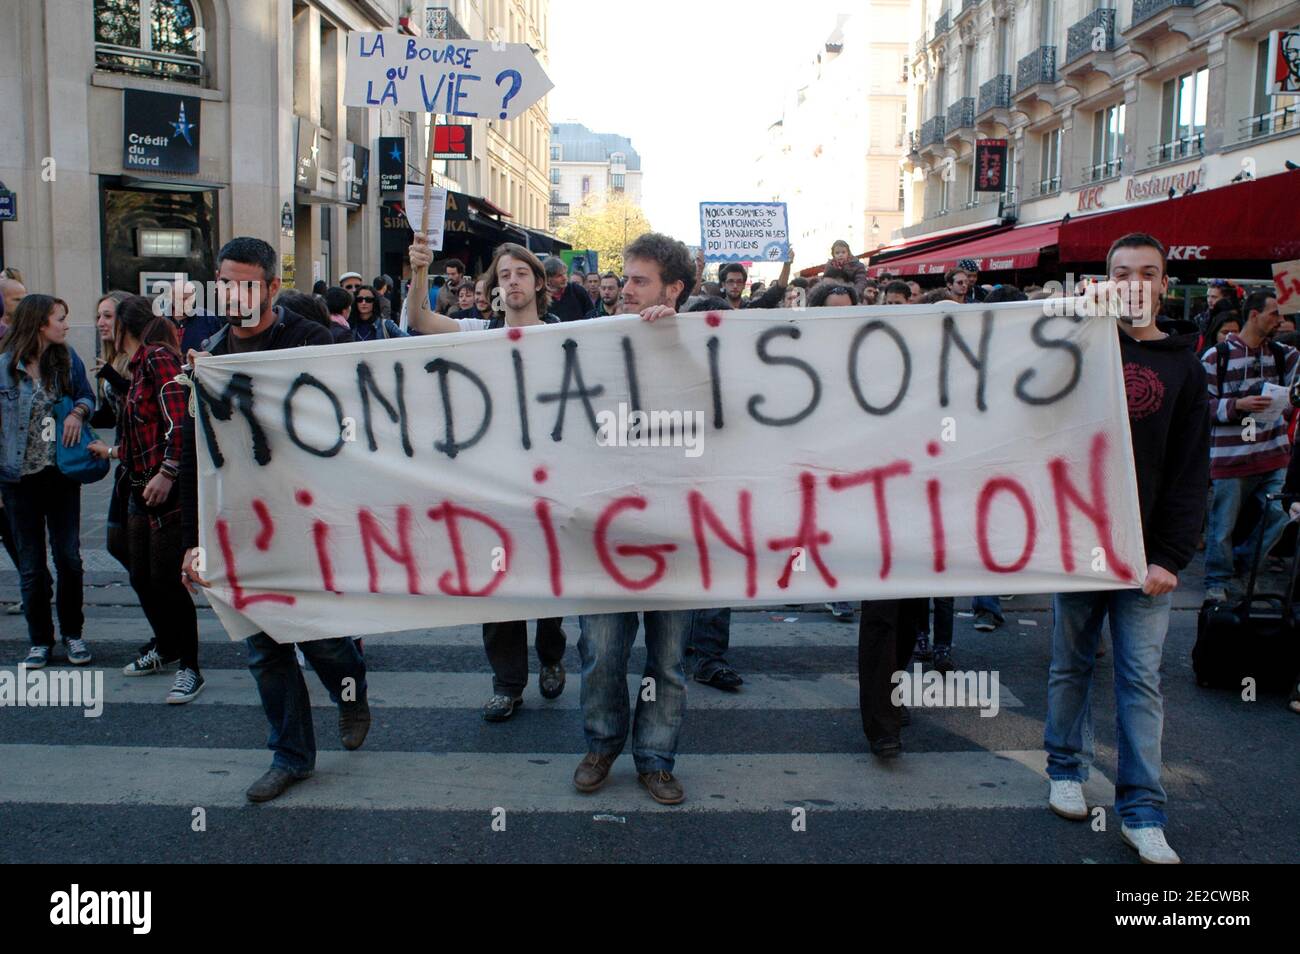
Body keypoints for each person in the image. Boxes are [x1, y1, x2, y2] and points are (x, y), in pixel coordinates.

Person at [180, 237, 370, 802]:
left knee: (321, 636)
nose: (233, 293)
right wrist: (195, 540)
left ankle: (350, 689)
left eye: (244, 283)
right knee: (264, 647)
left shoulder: (309, 340)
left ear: (268, 287)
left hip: (306, 518)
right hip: (243, 526)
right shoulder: (210, 355)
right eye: (224, 281)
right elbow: (201, 457)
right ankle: (290, 756)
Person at [1045, 232, 1210, 865]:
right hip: (1080, 544)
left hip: (1145, 556)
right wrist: (1073, 316)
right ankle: (1066, 768)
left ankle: (1142, 810)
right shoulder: (1081, 344)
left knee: (1141, 682)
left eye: (1148, 272)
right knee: (1070, 665)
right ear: (1105, 280)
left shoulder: (1184, 366)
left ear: (1165, 284)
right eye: (1122, 272)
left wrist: (1171, 557)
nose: (1135, 282)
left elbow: (1192, 470)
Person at [408, 239, 568, 720]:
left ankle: (552, 652)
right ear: (495, 287)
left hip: (550, 480)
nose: (512, 281)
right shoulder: (480, 331)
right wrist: (420, 273)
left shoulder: (570, 335)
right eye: (503, 275)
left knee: (550, 580)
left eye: (522, 273)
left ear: (538, 283)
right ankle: (508, 683)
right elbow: (419, 322)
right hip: (492, 481)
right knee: (497, 583)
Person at [570, 232, 697, 806]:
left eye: (640, 280)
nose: (626, 289)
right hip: (605, 529)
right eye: (625, 279)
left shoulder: (700, 344)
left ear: (674, 289)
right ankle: (602, 744)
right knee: (601, 653)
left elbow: (723, 409)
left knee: (668, 661)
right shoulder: (595, 339)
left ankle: (656, 758)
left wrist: (676, 342)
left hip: (676, 530)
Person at [87, 297, 202, 701]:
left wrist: (169, 472)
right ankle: (167, 646)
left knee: (167, 580)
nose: (101, 326)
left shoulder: (157, 359)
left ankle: (190, 666)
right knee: (140, 574)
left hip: (163, 490)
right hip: (137, 486)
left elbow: (181, 420)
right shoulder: (135, 366)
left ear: (125, 324)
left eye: (108, 319)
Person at [0, 294, 96, 669]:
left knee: (69, 559)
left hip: (60, 476)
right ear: (41, 323)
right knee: (32, 566)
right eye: (60, 318)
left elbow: (89, 397)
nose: (66, 324)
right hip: (18, 480)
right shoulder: (6, 366)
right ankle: (40, 640)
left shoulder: (66, 359)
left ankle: (73, 634)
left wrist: (77, 412)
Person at [1200, 289, 1295, 604]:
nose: (1279, 321)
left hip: (1272, 453)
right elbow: (1201, 407)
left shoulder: (1284, 355)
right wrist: (1238, 404)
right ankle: (1218, 579)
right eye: (1274, 313)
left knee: (1280, 516)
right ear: (1254, 315)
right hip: (1231, 457)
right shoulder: (1216, 356)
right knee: (1222, 525)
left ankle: (1243, 564)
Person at [90, 291, 134, 576]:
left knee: (122, 542)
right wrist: (78, 411)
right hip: (125, 463)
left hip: (140, 463)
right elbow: (110, 414)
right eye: (98, 316)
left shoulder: (135, 358)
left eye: (107, 316)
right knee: (117, 542)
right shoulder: (113, 358)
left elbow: (140, 401)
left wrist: (111, 376)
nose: (100, 323)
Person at [164, 278, 223, 356]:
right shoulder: (160, 320)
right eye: (181, 299)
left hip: (199, 367)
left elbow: (220, 349)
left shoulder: (209, 319)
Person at [543, 255, 593, 322]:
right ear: (548, 278)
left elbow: (591, 314)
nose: (564, 278)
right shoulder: (541, 297)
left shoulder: (577, 291)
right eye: (559, 276)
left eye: (565, 273)